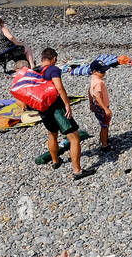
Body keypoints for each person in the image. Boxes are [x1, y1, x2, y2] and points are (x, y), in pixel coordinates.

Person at [35, 48, 93, 180]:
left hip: (43, 109)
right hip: (56, 108)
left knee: (52, 134)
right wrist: (67, 104)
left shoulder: (36, 71)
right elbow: (59, 87)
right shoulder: (53, 69)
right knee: (74, 137)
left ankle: (56, 161)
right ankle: (77, 170)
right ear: (54, 58)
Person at [88, 63, 112, 151]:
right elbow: (98, 96)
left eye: (104, 71)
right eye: (102, 71)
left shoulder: (93, 79)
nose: (104, 73)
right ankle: (104, 145)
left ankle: (105, 139)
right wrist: (106, 109)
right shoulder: (99, 82)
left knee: (104, 124)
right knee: (104, 126)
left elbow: (89, 91)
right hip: (102, 107)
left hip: (96, 106)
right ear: (94, 71)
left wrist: (91, 103)